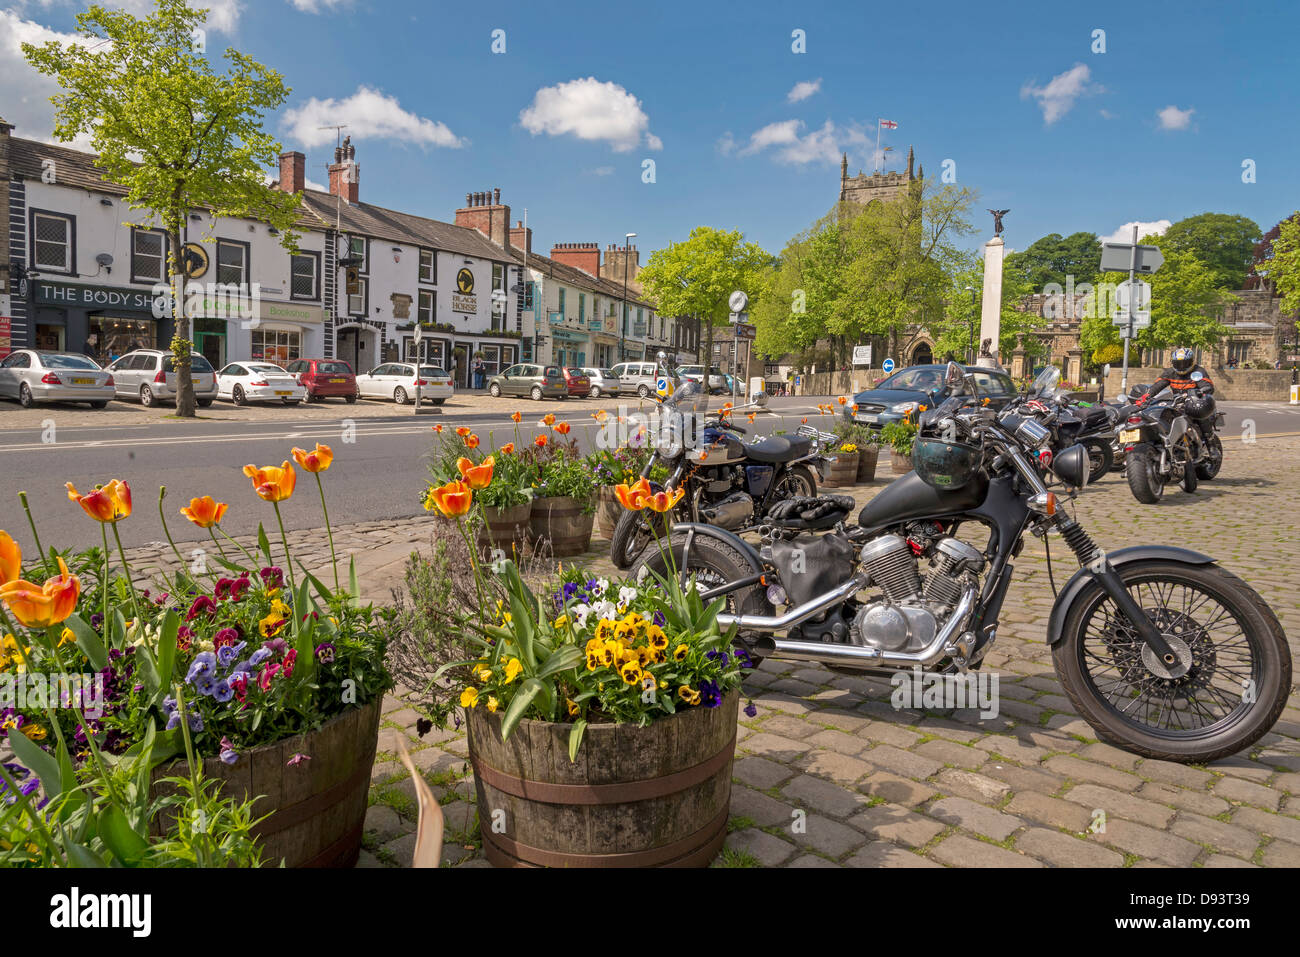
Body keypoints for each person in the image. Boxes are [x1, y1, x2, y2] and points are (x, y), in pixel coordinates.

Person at [1136, 347, 1215, 436]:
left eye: (1185, 363)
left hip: (1195, 402)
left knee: (1200, 416)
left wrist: (1200, 391)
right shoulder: (1170, 372)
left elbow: (1207, 386)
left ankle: (1210, 441)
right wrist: (1146, 395)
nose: (1181, 366)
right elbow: (1158, 385)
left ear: (1192, 362)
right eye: (1178, 364)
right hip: (1177, 402)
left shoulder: (1198, 371)